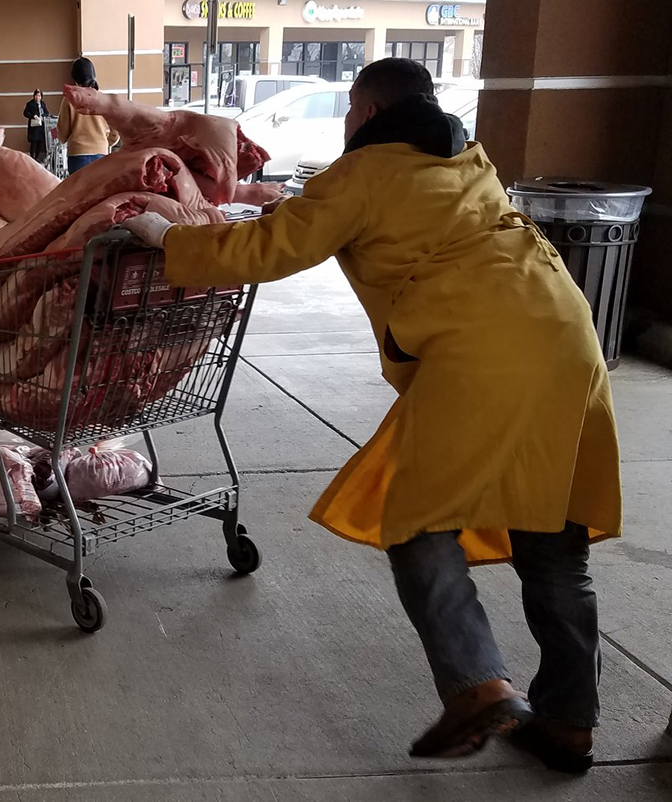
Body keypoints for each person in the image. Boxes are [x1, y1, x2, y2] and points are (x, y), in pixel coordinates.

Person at [123, 58, 619, 774]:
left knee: (418, 521)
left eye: (353, 111)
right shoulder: (467, 156)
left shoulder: (363, 171)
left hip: (482, 352)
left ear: (366, 110)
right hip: (566, 333)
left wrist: (165, 237)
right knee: (554, 538)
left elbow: (266, 251)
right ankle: (571, 722)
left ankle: (478, 684)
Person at [57, 57, 118, 174]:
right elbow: (115, 127)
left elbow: (63, 134)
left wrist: (63, 139)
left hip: (77, 155)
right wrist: (107, 141)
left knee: (80, 192)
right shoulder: (103, 99)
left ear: (74, 78)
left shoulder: (69, 100)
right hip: (101, 153)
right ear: (93, 74)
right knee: (100, 191)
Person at [23, 89, 49, 162]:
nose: (38, 97)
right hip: (34, 126)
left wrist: (43, 116)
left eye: (39, 96)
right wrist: (33, 116)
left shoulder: (43, 104)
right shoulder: (30, 104)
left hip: (41, 125)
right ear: (34, 96)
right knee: (34, 142)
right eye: (37, 95)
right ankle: (32, 157)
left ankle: (37, 157)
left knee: (40, 142)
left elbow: (47, 112)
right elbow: (25, 113)